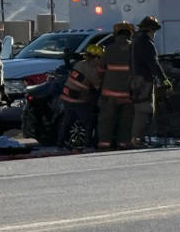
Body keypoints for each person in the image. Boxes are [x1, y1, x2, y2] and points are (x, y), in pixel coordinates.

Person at [130, 16, 172, 148]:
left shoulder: (135, 41)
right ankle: (137, 139)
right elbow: (154, 63)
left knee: (141, 109)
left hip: (136, 78)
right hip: (144, 80)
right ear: (151, 30)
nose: (154, 34)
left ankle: (140, 138)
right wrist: (164, 80)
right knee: (145, 109)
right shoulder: (146, 42)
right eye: (154, 31)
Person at [57, 44, 103, 150]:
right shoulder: (92, 70)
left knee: (67, 122)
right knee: (89, 121)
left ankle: (60, 143)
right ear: (96, 57)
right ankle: (88, 144)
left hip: (66, 97)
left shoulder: (79, 64)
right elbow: (98, 89)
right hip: (79, 100)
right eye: (100, 57)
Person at [97, 22, 135, 150]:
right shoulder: (133, 49)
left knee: (106, 120)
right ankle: (123, 144)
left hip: (109, 93)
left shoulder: (109, 49)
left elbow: (101, 70)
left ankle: (104, 144)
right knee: (125, 121)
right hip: (127, 93)